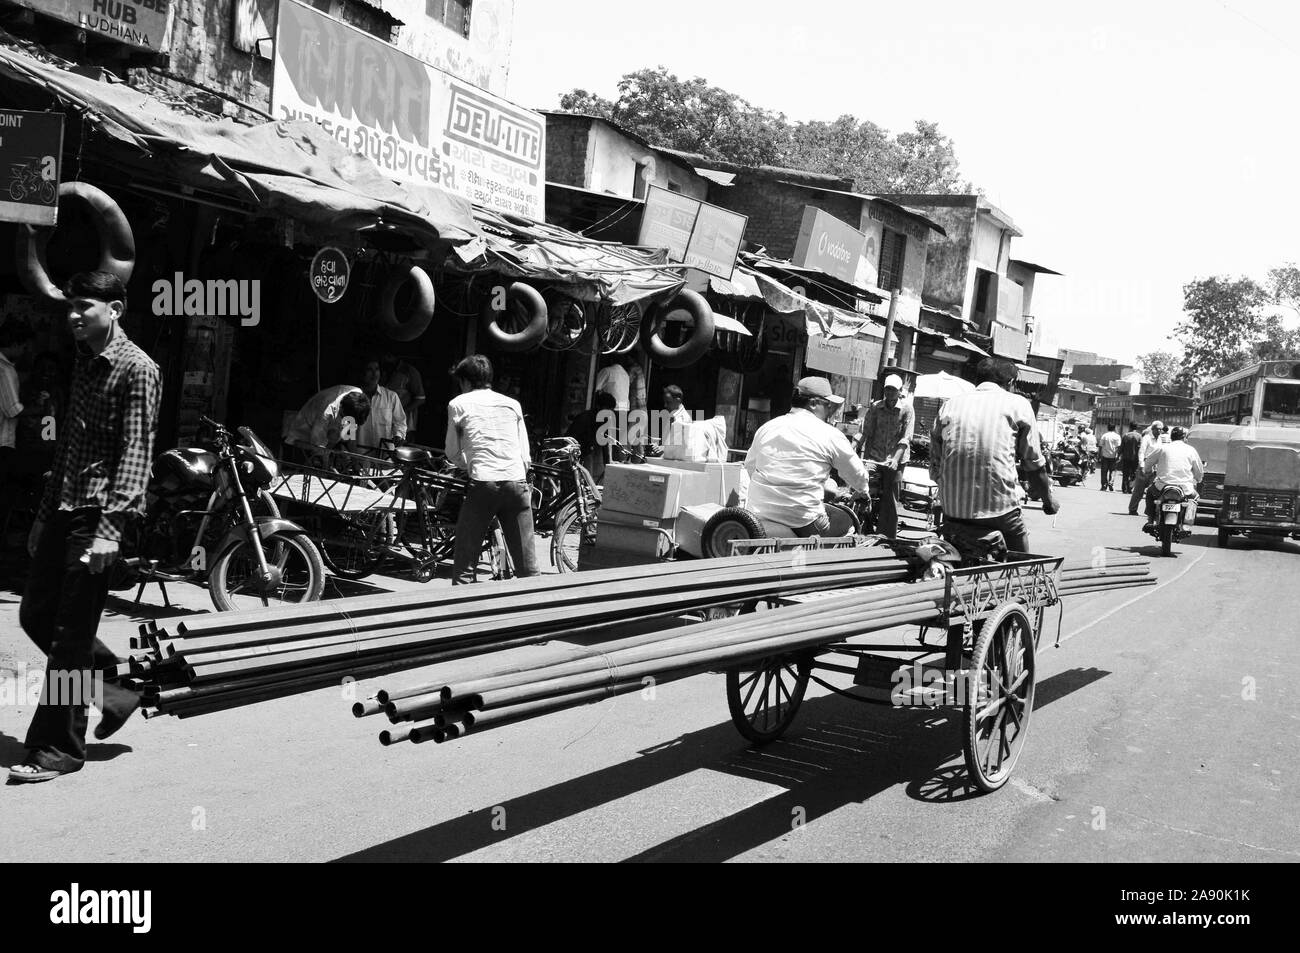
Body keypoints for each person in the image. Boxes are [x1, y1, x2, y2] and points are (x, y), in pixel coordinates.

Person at [9, 272, 162, 784]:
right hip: (65, 508)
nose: (73, 315)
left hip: (99, 516)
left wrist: (111, 530)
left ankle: (57, 748)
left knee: (68, 639)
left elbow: (136, 454)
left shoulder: (137, 369)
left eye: (85, 307)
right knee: (35, 615)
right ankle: (115, 692)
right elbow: (71, 448)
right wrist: (43, 516)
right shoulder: (83, 361)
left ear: (115, 309)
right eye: (70, 306)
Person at [930, 358, 1058, 553]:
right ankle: (1018, 574)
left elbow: (936, 461)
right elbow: (1033, 464)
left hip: (952, 509)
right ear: (1011, 383)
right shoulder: (1018, 404)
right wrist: (1048, 501)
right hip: (1000, 510)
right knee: (1018, 558)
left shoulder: (950, 405)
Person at [445, 355, 538, 584]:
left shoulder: (458, 404)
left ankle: (461, 611)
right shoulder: (512, 404)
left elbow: (452, 451)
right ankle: (534, 610)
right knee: (528, 567)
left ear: (466, 381)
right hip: (517, 482)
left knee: (465, 564)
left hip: (483, 483)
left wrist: (469, 465)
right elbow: (524, 455)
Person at [742, 377, 872, 536]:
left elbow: (749, 468)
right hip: (803, 521)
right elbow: (857, 474)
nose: (830, 411)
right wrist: (863, 491)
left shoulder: (768, 427)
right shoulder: (829, 434)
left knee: (828, 485)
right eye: (828, 405)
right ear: (813, 403)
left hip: (758, 514)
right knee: (847, 522)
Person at [856, 374, 915, 537]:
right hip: (874, 457)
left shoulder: (907, 409)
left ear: (899, 391)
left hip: (895, 458)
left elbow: (906, 437)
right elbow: (865, 431)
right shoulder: (875, 407)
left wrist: (895, 459)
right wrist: (852, 448)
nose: (889, 392)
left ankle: (887, 536)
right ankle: (860, 524)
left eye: (893, 390)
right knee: (862, 484)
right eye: (887, 389)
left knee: (891, 497)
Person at [283, 385, 371, 467]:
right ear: (342, 410)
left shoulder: (358, 395)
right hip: (303, 433)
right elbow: (319, 449)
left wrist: (355, 461)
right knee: (316, 466)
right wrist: (327, 469)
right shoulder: (325, 414)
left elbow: (350, 435)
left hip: (330, 430)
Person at [1141, 426, 1204, 529]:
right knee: (1195, 498)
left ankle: (1150, 519)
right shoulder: (1191, 450)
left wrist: (1147, 471)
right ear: (1184, 438)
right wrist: (1199, 478)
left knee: (1149, 493)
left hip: (1162, 486)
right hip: (1185, 488)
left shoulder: (1163, 448)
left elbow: (1148, 462)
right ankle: (1187, 523)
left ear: (1171, 437)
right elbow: (1199, 470)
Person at [0, 319, 33, 494]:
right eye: (24, 347)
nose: (25, 352)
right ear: (15, 344)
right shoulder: (5, 369)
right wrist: (42, 412)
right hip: (5, 443)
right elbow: (13, 410)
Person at [356, 356, 407, 454]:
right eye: (369, 369)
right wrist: (347, 451)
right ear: (362, 373)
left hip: (384, 455)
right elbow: (346, 429)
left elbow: (400, 422)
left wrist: (399, 435)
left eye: (377, 369)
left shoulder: (391, 396)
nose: (374, 373)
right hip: (359, 455)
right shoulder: (353, 396)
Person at [566, 390, 618, 484]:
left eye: (611, 410)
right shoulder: (584, 418)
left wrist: (608, 463)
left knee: (593, 479)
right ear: (598, 407)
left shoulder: (605, 420)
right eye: (607, 409)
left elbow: (605, 442)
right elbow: (570, 437)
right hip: (579, 453)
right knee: (587, 479)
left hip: (590, 451)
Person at [381, 352, 426, 435]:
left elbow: (420, 399)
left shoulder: (409, 371)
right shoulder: (381, 370)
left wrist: (400, 413)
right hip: (383, 421)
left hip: (404, 425)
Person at [1128, 420, 1166, 515]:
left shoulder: (1160, 439)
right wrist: (1141, 466)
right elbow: (1141, 451)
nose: (1159, 431)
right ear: (1153, 429)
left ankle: (1150, 511)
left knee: (1153, 490)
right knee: (1139, 490)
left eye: (1161, 430)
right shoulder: (1147, 438)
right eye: (1158, 429)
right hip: (1145, 465)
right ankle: (1132, 509)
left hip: (1155, 467)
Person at [1098, 423, 1122, 491]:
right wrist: (1118, 456)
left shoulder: (1104, 435)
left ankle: (1104, 485)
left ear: (1108, 428)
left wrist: (1099, 455)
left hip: (1105, 456)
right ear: (1114, 428)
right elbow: (1119, 447)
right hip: (1113, 456)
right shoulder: (1117, 436)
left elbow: (1100, 446)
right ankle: (1111, 484)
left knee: (1104, 471)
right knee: (1113, 471)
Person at [1119, 421, 1142, 494]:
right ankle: (1130, 488)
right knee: (1133, 473)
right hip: (1135, 458)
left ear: (1130, 427)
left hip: (1126, 457)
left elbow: (1122, 447)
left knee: (1125, 473)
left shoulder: (1126, 435)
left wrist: (1118, 456)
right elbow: (1141, 448)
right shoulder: (1139, 436)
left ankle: (1124, 488)